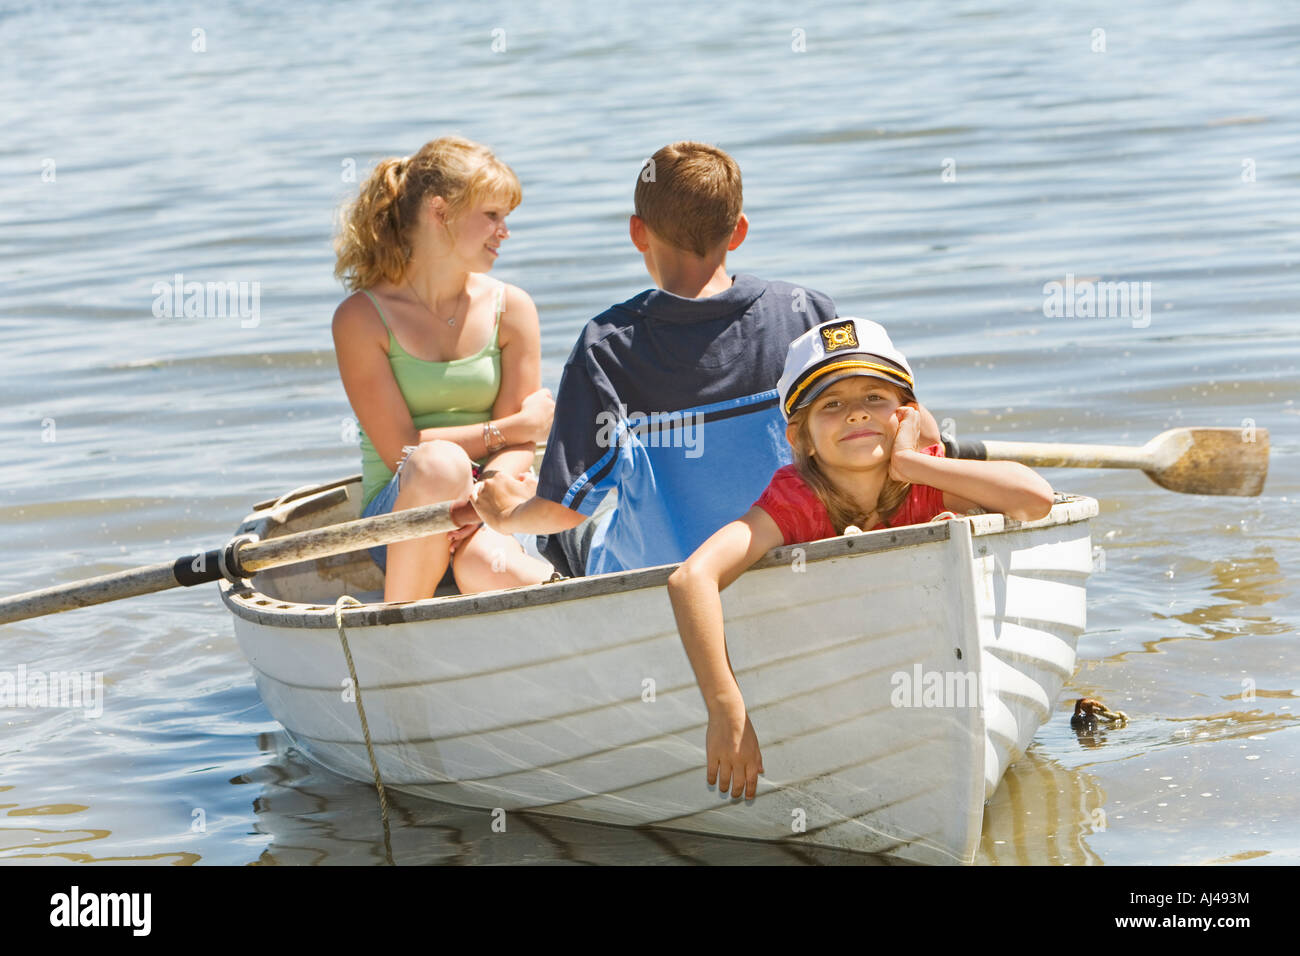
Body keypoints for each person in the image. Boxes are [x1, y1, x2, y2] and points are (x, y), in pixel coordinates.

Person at [471, 140, 943, 577]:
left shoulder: (608, 347)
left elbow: (562, 511)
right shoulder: (807, 313)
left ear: (638, 232)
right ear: (738, 231)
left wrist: (508, 515)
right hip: (798, 549)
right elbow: (914, 424)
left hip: (666, 572)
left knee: (572, 526)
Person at [666, 317, 1057, 799]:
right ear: (799, 437)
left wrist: (914, 461)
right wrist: (727, 707)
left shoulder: (933, 477)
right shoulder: (797, 500)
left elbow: (1036, 498)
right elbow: (692, 578)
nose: (856, 414)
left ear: (907, 415)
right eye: (832, 404)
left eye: (876, 397)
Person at [331, 135, 555, 602]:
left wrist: (486, 497)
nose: (504, 231)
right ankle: (398, 627)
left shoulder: (512, 308)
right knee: (437, 464)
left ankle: (580, 604)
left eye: (506, 217)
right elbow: (404, 451)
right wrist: (511, 427)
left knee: (483, 565)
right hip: (400, 518)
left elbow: (519, 448)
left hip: (492, 505)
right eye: (491, 215)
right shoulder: (361, 318)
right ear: (441, 212)